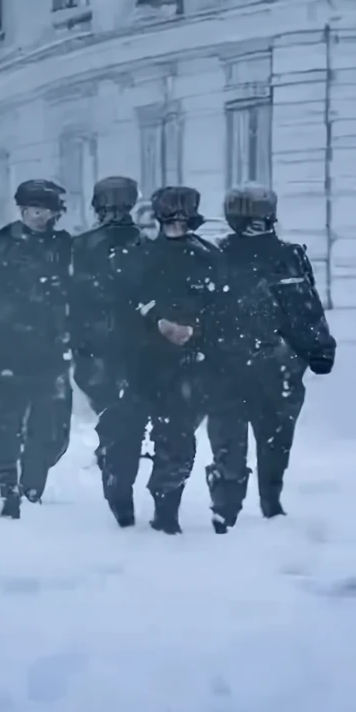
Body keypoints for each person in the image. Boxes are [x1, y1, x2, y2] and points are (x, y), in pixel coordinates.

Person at [207, 185, 336, 530]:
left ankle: (271, 503)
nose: (256, 227)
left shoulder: (289, 255)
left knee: (276, 440)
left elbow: (305, 308)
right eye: (249, 221)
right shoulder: (214, 256)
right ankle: (225, 507)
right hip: (227, 365)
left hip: (277, 363)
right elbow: (202, 312)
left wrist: (319, 348)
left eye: (261, 220)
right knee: (228, 442)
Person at [126, 186, 227, 534]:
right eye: (170, 215)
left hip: (192, 362)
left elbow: (221, 308)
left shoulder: (208, 256)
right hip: (147, 361)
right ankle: (138, 501)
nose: (176, 223)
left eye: (182, 216)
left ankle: (166, 509)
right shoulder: (141, 257)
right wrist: (158, 322)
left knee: (178, 435)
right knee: (129, 436)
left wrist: (194, 332)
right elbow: (126, 302)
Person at [70, 176, 146, 527]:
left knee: (120, 414)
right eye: (109, 207)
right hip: (97, 344)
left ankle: (116, 470)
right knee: (114, 412)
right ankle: (114, 464)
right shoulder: (80, 247)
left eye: (120, 207)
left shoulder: (144, 245)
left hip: (127, 345)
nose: (115, 214)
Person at [0, 179, 72, 504]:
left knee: (53, 424)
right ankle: (13, 481)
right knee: (7, 419)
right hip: (10, 346)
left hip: (53, 345)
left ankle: (34, 473)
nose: (41, 217)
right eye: (35, 210)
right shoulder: (2, 244)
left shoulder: (65, 244)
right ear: (23, 210)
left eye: (48, 211)